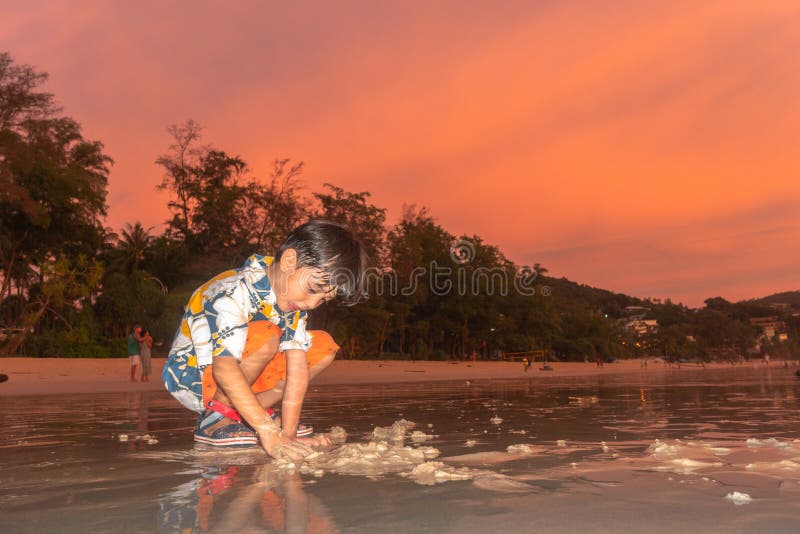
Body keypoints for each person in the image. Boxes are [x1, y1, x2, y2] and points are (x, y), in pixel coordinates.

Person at [162, 220, 366, 461]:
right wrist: (267, 432)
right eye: (313, 289)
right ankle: (216, 419)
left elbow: (297, 372)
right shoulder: (234, 291)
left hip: (241, 378)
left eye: (323, 300)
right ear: (289, 261)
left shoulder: (293, 304)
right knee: (268, 335)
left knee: (322, 347)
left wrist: (287, 436)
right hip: (197, 377)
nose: (312, 304)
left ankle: (245, 415)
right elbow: (224, 367)